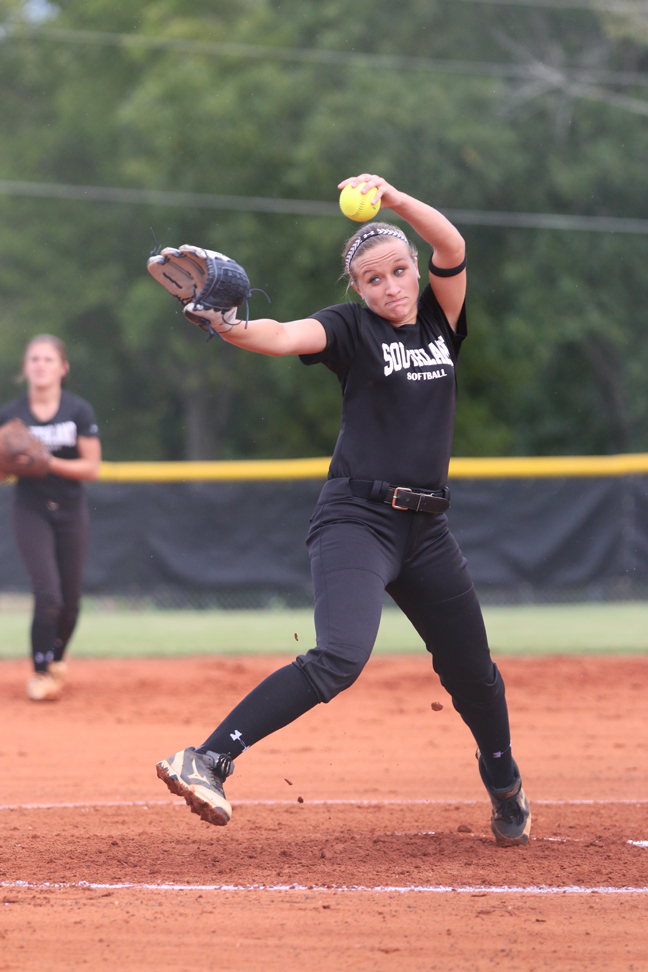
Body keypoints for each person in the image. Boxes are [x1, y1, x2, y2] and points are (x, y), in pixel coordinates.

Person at [156, 174, 531, 846]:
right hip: (357, 521)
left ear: (415, 269)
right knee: (339, 657)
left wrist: (393, 200)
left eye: (397, 271)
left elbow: (452, 241)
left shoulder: (444, 319)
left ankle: (504, 781)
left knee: (474, 674)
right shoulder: (349, 328)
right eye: (371, 279)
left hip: (428, 531)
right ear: (355, 289)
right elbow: (280, 334)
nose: (389, 286)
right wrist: (229, 325)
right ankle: (206, 759)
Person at [0, 335, 101, 701]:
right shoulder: (11, 415)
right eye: (34, 359)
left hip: (71, 510)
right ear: (25, 368)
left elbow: (92, 468)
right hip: (30, 509)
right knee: (48, 595)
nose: (40, 365)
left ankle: (57, 658)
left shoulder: (78, 411)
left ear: (63, 367)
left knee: (71, 600)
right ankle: (41, 671)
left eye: (48, 359)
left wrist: (47, 461)